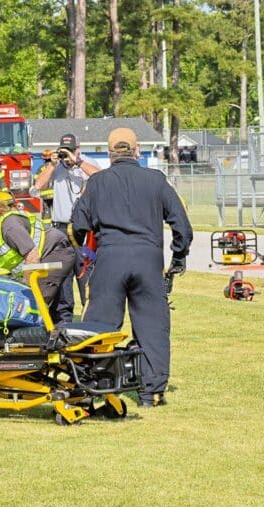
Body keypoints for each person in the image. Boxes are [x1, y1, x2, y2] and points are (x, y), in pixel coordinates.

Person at [71, 128, 192, 408]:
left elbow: (78, 224)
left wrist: (88, 252)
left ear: (110, 154)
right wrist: (177, 259)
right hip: (148, 260)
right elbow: (181, 225)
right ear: (137, 151)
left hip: (110, 259)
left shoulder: (97, 182)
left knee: (100, 328)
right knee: (152, 327)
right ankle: (151, 393)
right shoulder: (156, 180)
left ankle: (97, 386)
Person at [0, 193, 76, 319]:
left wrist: (25, 287)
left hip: (56, 252)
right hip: (35, 263)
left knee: (34, 302)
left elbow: (32, 256)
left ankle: (59, 332)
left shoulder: (8, 225)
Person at [34, 133, 100, 322]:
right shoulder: (55, 166)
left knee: (85, 273)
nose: (67, 155)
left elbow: (100, 176)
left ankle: (91, 316)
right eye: (65, 151)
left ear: (78, 149)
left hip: (84, 231)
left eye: (71, 150)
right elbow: (37, 186)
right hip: (60, 229)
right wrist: (53, 164)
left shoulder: (87, 162)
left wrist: (77, 162)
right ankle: (64, 320)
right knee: (62, 278)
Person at [33, 149, 55, 221]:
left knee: (46, 213)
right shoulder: (57, 167)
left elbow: (35, 182)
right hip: (56, 195)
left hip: (45, 196)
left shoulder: (41, 168)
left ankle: (47, 228)